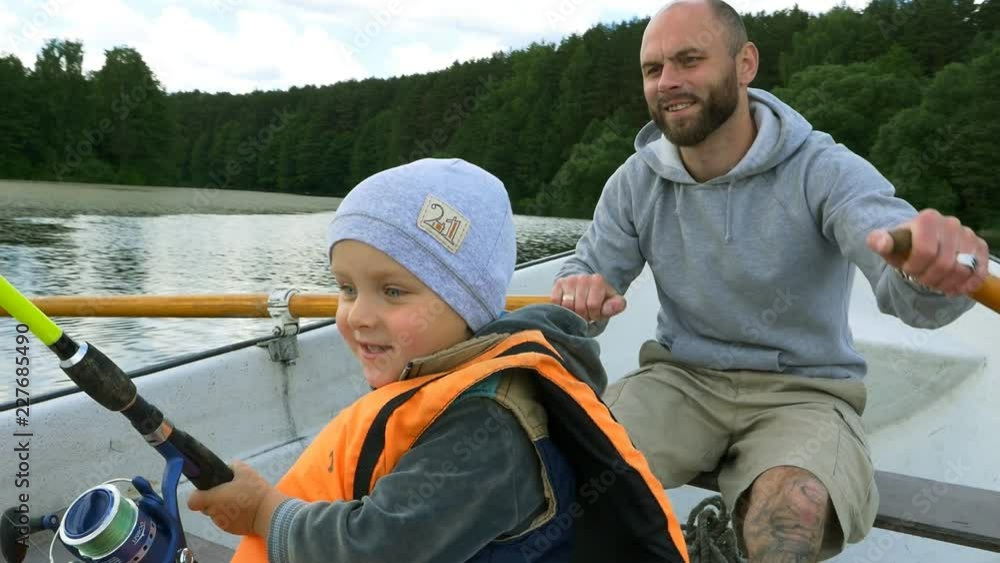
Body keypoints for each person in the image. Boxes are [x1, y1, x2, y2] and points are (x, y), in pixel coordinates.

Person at [551, 1, 991, 561]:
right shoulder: (634, 182)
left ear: (745, 63)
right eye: (653, 69)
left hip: (804, 392)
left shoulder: (824, 169)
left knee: (792, 515)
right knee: (561, 470)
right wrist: (578, 295)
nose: (669, 82)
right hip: (681, 381)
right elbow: (584, 279)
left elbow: (903, 278)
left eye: (689, 60)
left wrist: (933, 271)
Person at [187, 158, 690, 563]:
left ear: (466, 302)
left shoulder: (490, 426)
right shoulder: (446, 379)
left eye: (392, 291)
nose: (359, 315)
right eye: (346, 288)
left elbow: (377, 549)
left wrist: (262, 513)